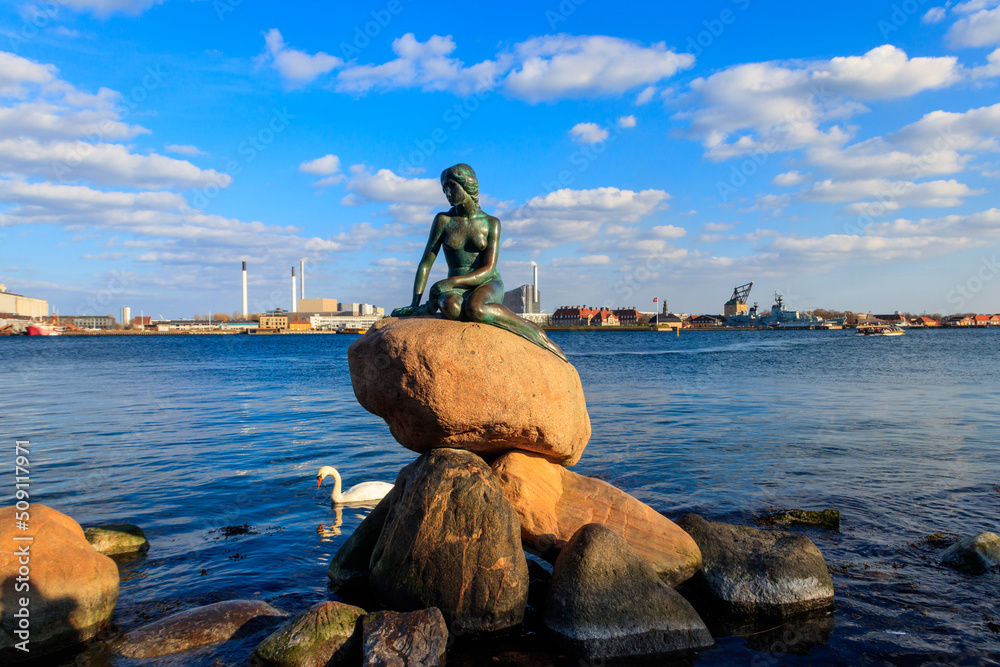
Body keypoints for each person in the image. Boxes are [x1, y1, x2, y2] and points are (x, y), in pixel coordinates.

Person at [390, 163, 567, 362]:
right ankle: (498, 316)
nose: (447, 193)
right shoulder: (443, 220)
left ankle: (530, 330)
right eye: (444, 188)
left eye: (451, 186)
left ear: (467, 186)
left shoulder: (491, 223)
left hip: (487, 281)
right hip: (456, 286)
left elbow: (489, 268)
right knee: (451, 308)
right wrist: (415, 304)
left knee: (476, 308)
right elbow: (426, 262)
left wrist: (451, 282)